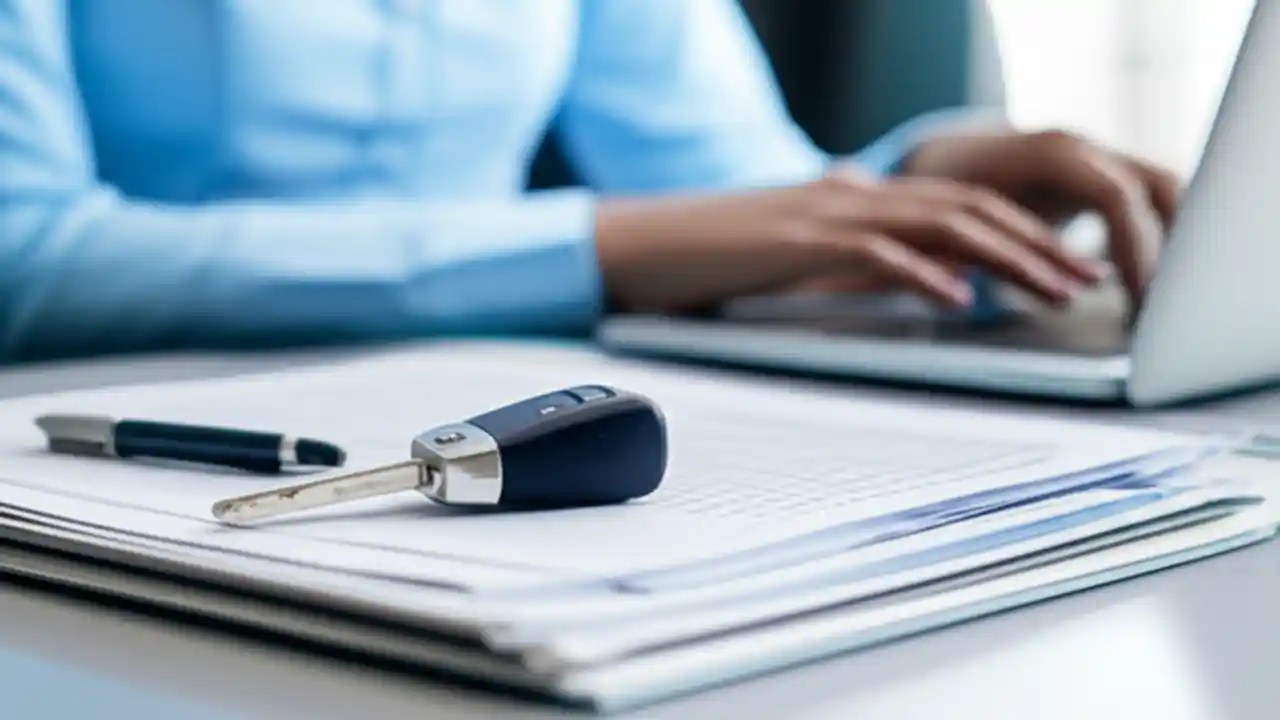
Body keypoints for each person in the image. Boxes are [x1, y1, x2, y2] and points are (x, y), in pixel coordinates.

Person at [0, 0, 1180, 361]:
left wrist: (918, 184)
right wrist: (597, 248)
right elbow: (27, 258)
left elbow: (733, 189)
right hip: (119, 437)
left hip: (486, 398)